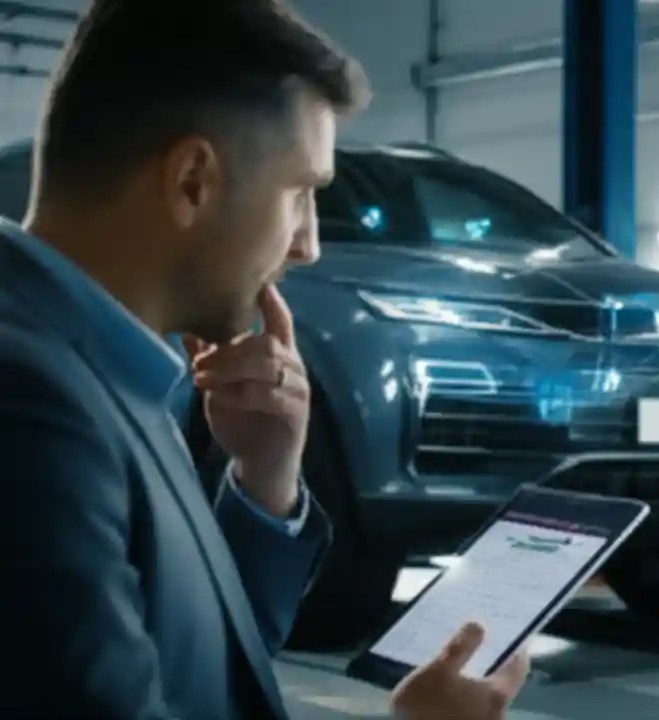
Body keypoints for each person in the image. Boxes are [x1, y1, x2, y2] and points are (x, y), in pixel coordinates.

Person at [0, 1, 529, 718]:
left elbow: (199, 662)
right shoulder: (32, 408)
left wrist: (265, 476)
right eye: (301, 193)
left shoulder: (98, 364)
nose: (308, 243)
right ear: (193, 180)